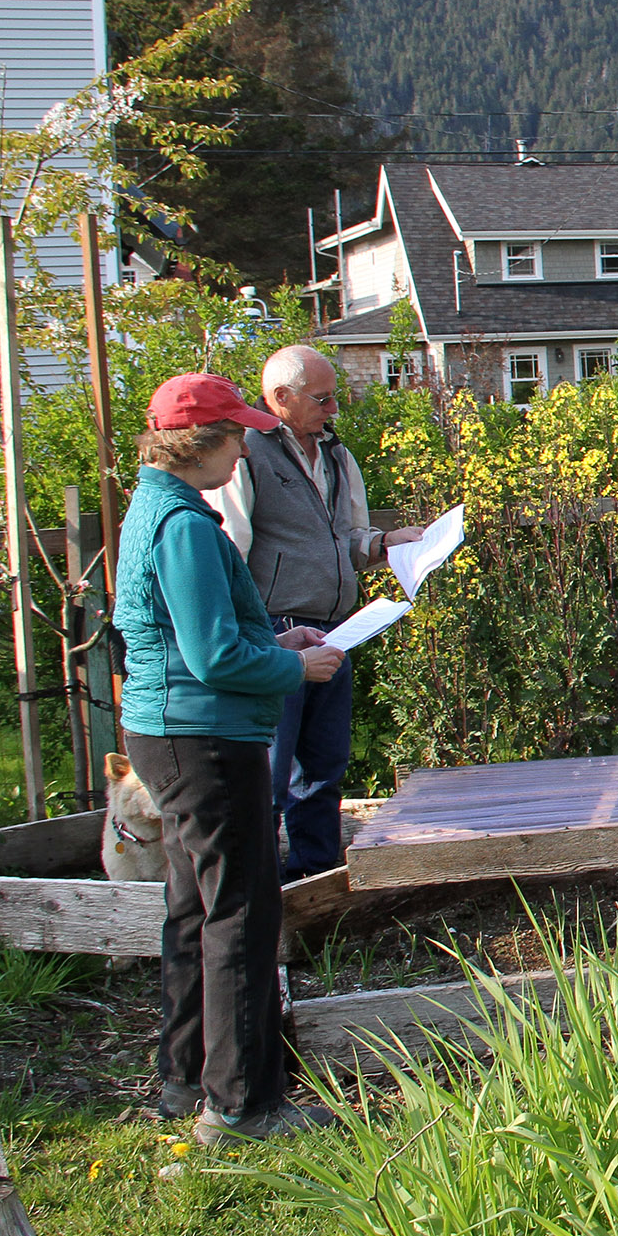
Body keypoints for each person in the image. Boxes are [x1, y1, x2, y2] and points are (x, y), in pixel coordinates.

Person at [116, 372, 348, 1144]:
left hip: (171, 732)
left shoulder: (155, 507)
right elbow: (212, 657)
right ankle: (244, 1105)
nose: (246, 450)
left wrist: (275, 641)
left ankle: (186, 1078)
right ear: (202, 442)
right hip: (206, 737)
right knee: (244, 912)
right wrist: (295, 667)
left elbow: (193, 632)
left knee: (194, 907)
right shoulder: (183, 526)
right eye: (237, 436)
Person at [214, 344, 426, 879]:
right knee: (269, 771)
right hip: (274, 631)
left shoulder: (335, 454)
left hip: (335, 631)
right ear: (281, 397)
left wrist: (386, 543)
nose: (333, 409)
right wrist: (248, 636)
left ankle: (314, 880)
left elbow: (345, 539)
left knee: (323, 767)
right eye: (322, 399)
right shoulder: (246, 454)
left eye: (335, 398)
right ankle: (258, 889)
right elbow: (231, 549)